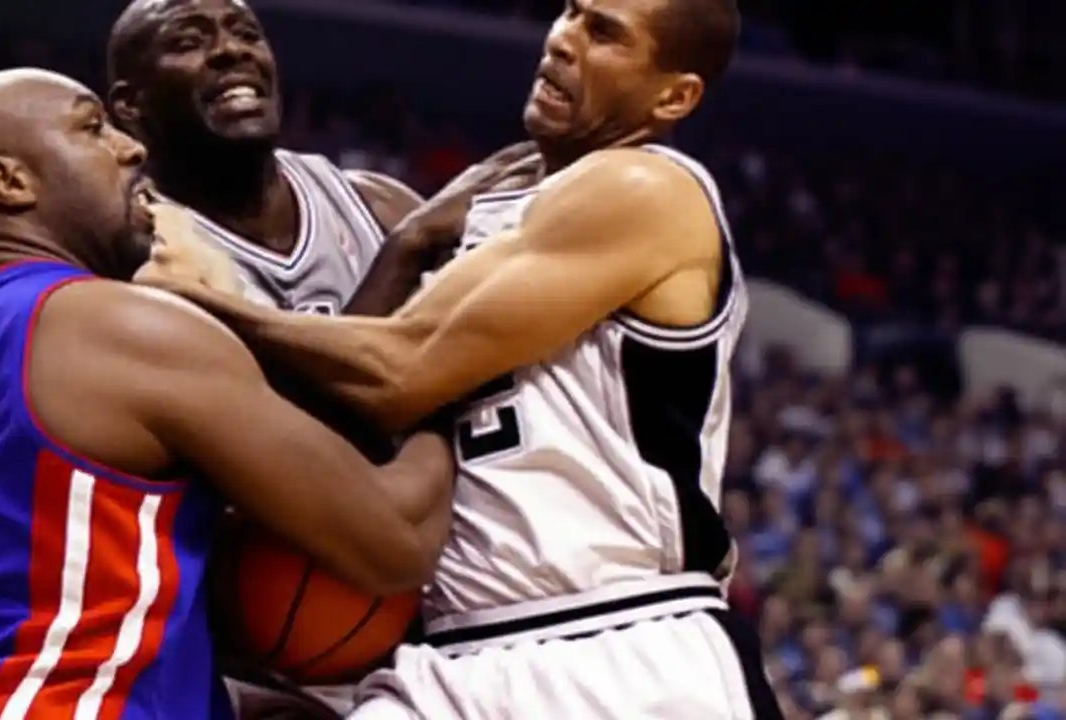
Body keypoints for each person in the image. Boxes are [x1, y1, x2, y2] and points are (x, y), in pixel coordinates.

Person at [137, 0, 784, 716]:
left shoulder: (647, 186)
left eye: (603, 33)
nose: (564, 40)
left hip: (616, 640)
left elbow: (394, 374)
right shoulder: (506, 213)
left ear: (674, 95)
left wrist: (196, 301)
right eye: (570, 12)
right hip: (456, 653)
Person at [0, 68, 456, 719]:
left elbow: (28, 596)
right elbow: (395, 540)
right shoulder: (112, 324)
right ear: (10, 182)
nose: (131, 147)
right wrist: (450, 377)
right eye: (92, 128)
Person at [106, 0, 536, 322]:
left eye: (248, 34)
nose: (232, 50)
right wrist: (404, 252)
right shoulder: (141, 253)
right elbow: (266, 424)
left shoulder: (372, 202)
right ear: (130, 105)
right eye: (189, 42)